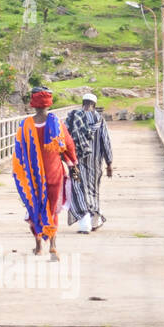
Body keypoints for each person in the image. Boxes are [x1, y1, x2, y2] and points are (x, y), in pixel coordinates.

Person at [11, 86, 77, 259]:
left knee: (35, 208)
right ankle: (53, 246)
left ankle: (39, 246)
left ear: (33, 104)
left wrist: (19, 174)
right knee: (53, 210)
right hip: (54, 173)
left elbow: (18, 152)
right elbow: (68, 147)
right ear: (49, 103)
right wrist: (73, 165)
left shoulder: (25, 125)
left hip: (32, 177)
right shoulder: (57, 124)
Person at [65, 93, 113, 232]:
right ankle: (94, 220)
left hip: (74, 164)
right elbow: (106, 142)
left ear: (82, 103)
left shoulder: (73, 117)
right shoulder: (100, 119)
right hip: (95, 164)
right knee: (93, 190)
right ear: (95, 105)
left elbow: (64, 138)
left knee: (77, 189)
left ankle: (85, 223)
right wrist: (109, 163)